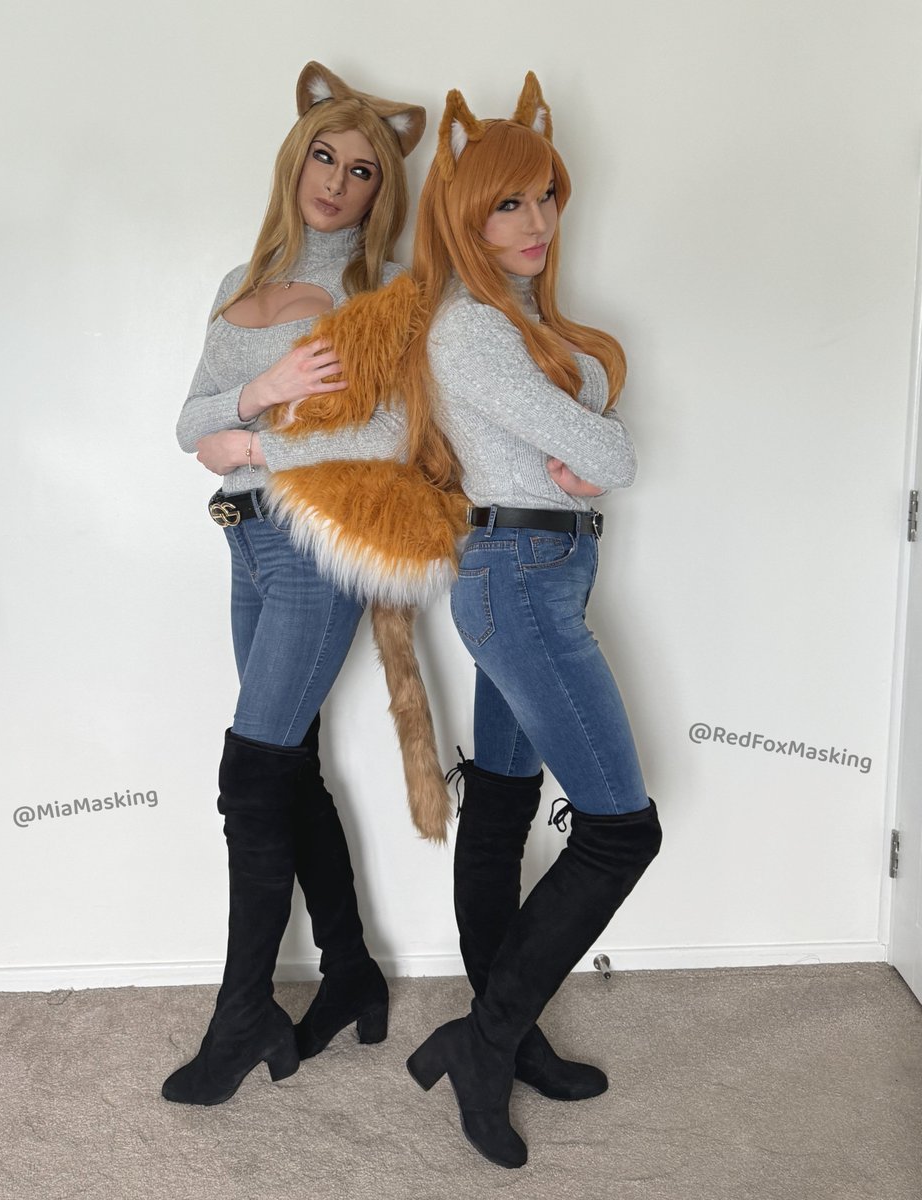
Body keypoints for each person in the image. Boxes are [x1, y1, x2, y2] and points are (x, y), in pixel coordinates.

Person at [401, 75, 663, 1167]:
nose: (537, 219)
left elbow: (593, 454)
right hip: (516, 574)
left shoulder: (523, 326)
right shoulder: (471, 332)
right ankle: (486, 1041)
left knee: (505, 805)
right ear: (466, 211)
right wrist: (593, 449)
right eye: (509, 202)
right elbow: (613, 456)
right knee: (621, 831)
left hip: (536, 571)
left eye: (546, 196)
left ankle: (500, 1036)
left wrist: (586, 451)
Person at [162, 62, 427, 1106]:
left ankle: (244, 1015)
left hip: (316, 552)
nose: (338, 182)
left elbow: (390, 435)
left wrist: (251, 443)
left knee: (249, 775)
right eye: (325, 156)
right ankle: (352, 972)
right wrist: (264, 389)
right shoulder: (243, 280)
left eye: (363, 171)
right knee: (286, 769)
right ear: (296, 159)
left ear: (380, 191)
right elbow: (189, 423)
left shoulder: (380, 290)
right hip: (245, 548)